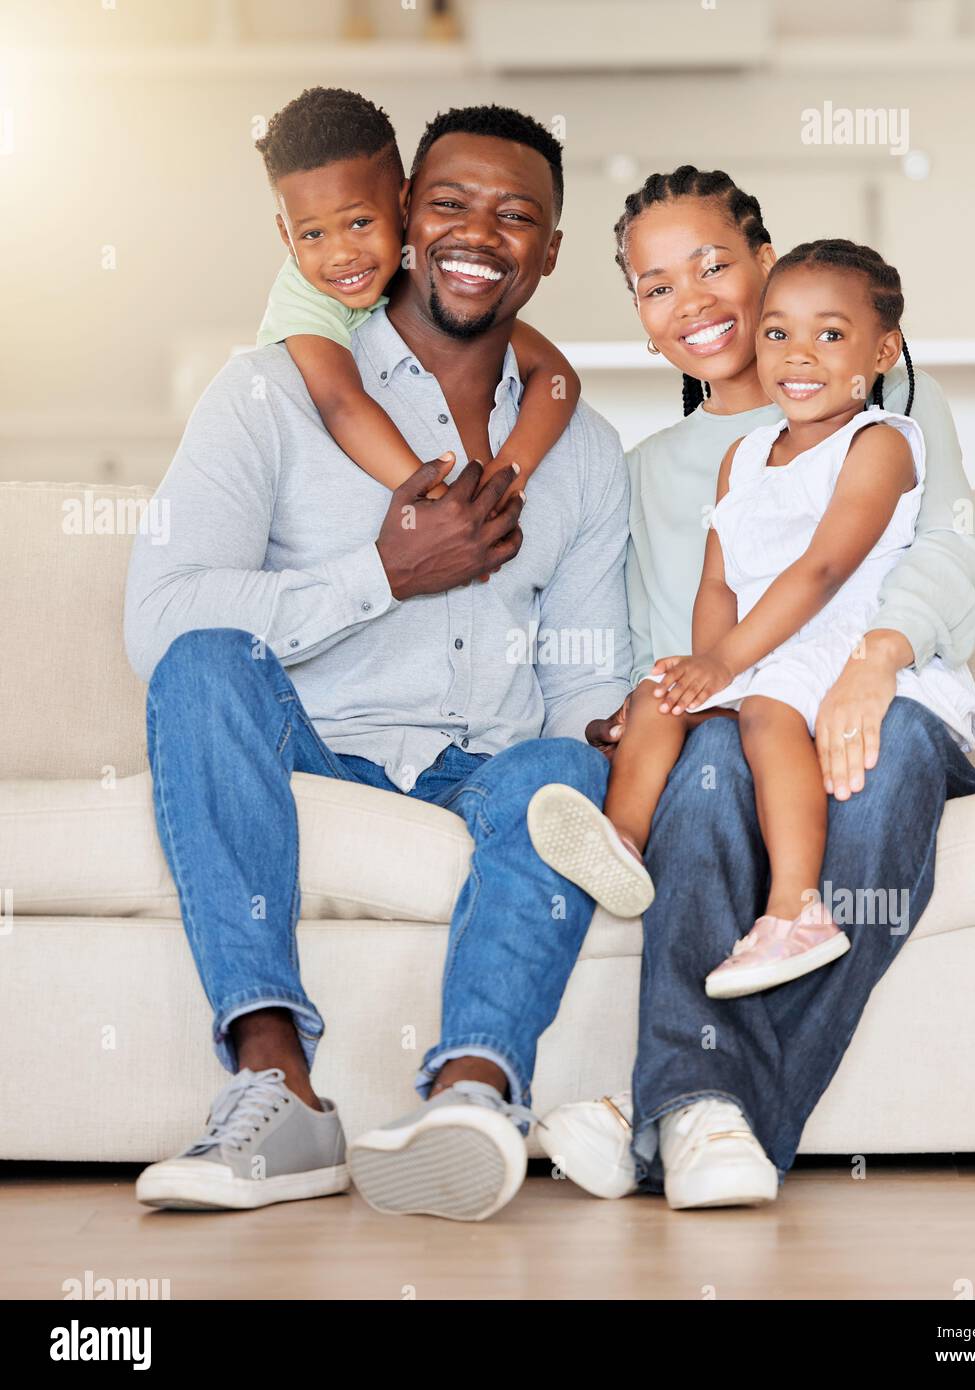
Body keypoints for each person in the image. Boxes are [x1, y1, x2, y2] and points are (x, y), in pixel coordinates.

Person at [123, 102, 632, 1223]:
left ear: (547, 255)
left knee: (567, 771)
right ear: (403, 217)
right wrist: (382, 574)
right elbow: (159, 620)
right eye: (448, 203)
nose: (476, 233)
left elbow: (589, 670)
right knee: (203, 661)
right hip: (311, 749)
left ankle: (474, 1093)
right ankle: (277, 1091)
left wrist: (617, 740)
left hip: (484, 765)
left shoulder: (586, 454)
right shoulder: (265, 391)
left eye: (516, 217)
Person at [538, 168, 975, 1213]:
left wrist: (871, 661)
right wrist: (660, 699)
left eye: (712, 266)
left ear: (764, 267)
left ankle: (673, 1109)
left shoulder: (895, 414)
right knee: (702, 774)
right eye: (655, 286)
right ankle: (696, 1109)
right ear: (642, 319)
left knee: (874, 772)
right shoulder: (666, 466)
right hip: (739, 701)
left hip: (885, 683)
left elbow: (949, 562)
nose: (692, 301)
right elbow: (670, 629)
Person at [253, 87, 580, 507]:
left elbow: (557, 373)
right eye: (313, 234)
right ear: (287, 236)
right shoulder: (307, 305)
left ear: (402, 206)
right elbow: (342, 405)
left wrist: (511, 469)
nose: (343, 255)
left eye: (360, 222)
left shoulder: (400, 266)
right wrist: (440, 501)